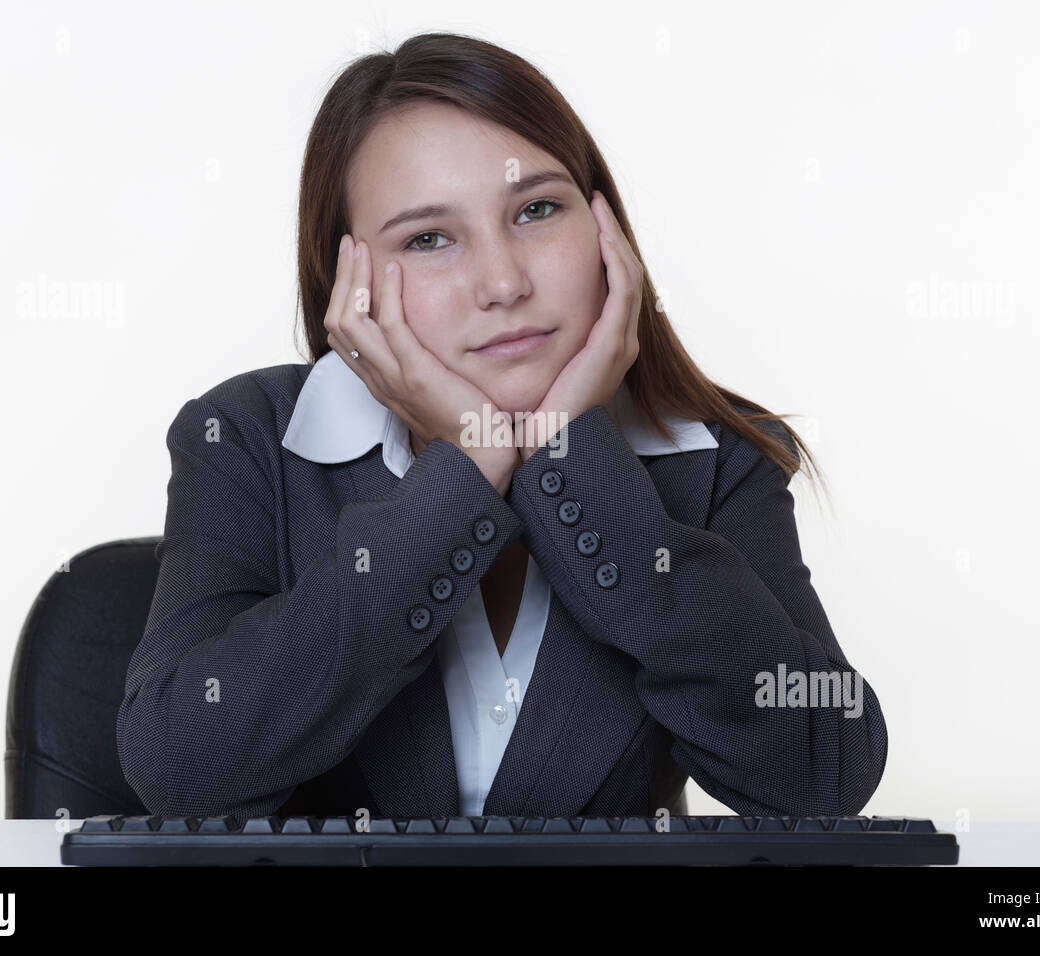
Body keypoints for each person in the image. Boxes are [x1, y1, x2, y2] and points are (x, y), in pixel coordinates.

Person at [116, 31, 888, 823]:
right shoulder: (244, 438)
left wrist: (572, 461)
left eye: (537, 210)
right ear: (348, 285)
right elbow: (182, 767)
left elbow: (823, 771)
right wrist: (465, 473)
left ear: (607, 234)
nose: (503, 282)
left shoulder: (715, 455)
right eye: (428, 238)